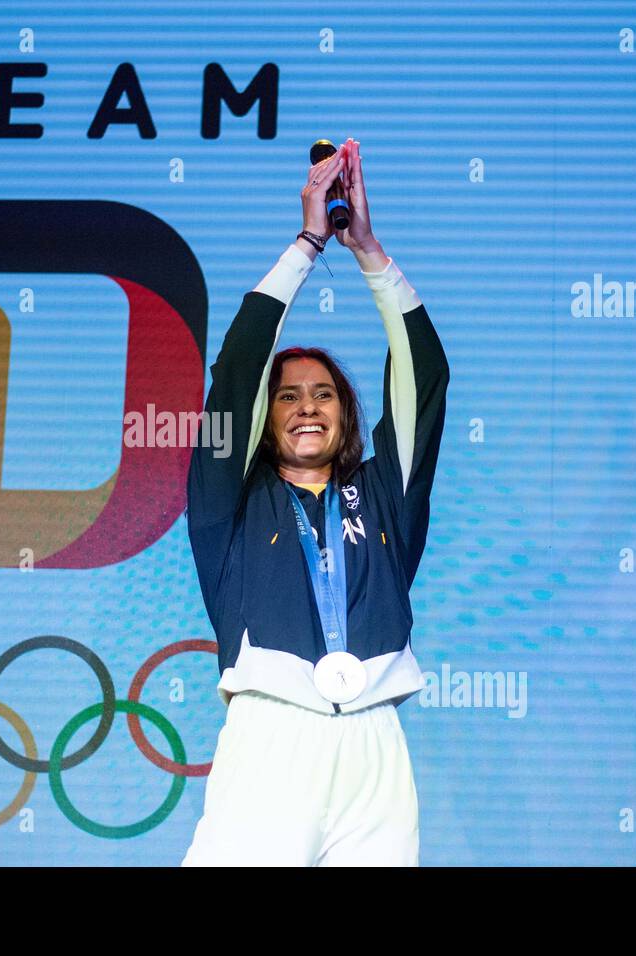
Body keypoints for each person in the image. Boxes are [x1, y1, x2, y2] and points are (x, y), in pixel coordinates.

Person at [181, 138, 450, 866]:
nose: (306, 408)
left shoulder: (383, 494)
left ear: (346, 414)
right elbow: (238, 370)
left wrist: (366, 248)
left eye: (324, 394)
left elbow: (424, 378)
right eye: (289, 396)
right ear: (267, 419)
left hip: (374, 747)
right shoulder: (229, 504)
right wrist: (308, 242)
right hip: (271, 735)